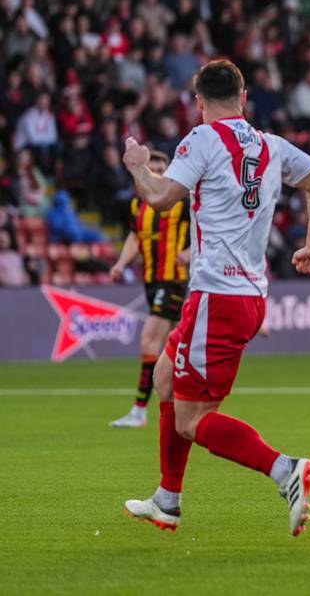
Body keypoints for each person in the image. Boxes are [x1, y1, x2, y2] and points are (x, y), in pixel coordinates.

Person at [121, 59, 310, 537]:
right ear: (243, 97)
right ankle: (167, 500)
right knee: (163, 377)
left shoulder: (199, 139)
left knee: (193, 420)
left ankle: (286, 470)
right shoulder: (271, 145)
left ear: (198, 103)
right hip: (247, 297)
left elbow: (159, 197)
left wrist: (137, 166)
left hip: (216, 297)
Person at [108, 150, 191, 429]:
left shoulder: (182, 202)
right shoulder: (137, 205)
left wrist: (190, 253)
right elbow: (134, 237)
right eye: (149, 168)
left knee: (148, 340)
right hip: (150, 280)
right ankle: (181, 406)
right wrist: (120, 264)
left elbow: (210, 229)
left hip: (173, 279)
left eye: (159, 169)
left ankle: (139, 410)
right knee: (173, 348)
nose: (154, 173)